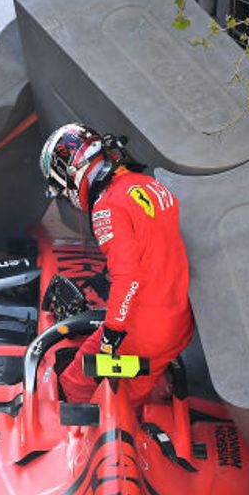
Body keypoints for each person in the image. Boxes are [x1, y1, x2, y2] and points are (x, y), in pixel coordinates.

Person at [39, 122, 194, 403]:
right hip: (180, 321)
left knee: (76, 385)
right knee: (136, 388)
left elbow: (129, 278)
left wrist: (111, 336)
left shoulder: (106, 207)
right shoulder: (149, 185)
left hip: (144, 329)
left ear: (73, 174)